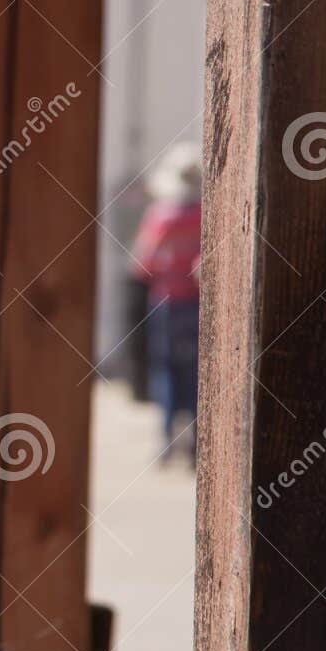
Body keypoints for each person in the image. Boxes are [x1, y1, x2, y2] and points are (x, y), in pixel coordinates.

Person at [132, 144, 202, 464]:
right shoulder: (205, 213)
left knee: (166, 369)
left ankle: (167, 440)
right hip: (198, 302)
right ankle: (195, 438)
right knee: (197, 370)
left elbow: (142, 263)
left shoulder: (161, 216)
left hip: (167, 301)